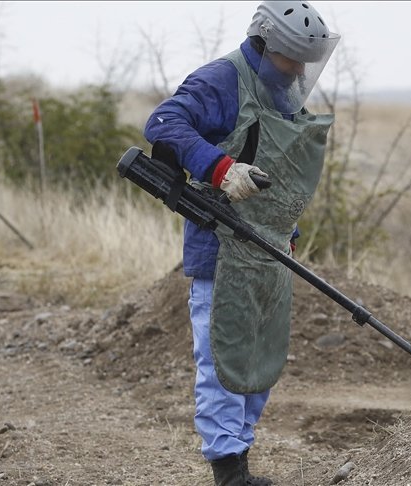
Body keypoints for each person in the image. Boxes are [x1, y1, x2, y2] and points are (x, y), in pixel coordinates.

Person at [143, 2, 339, 485]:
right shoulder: (219, 80)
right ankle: (229, 473)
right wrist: (221, 169)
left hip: (269, 251)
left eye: (303, 62)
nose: (298, 71)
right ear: (265, 45)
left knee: (258, 361)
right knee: (222, 363)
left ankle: (240, 459)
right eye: (291, 59)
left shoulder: (281, 90)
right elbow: (164, 123)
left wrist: (287, 235)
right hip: (220, 250)